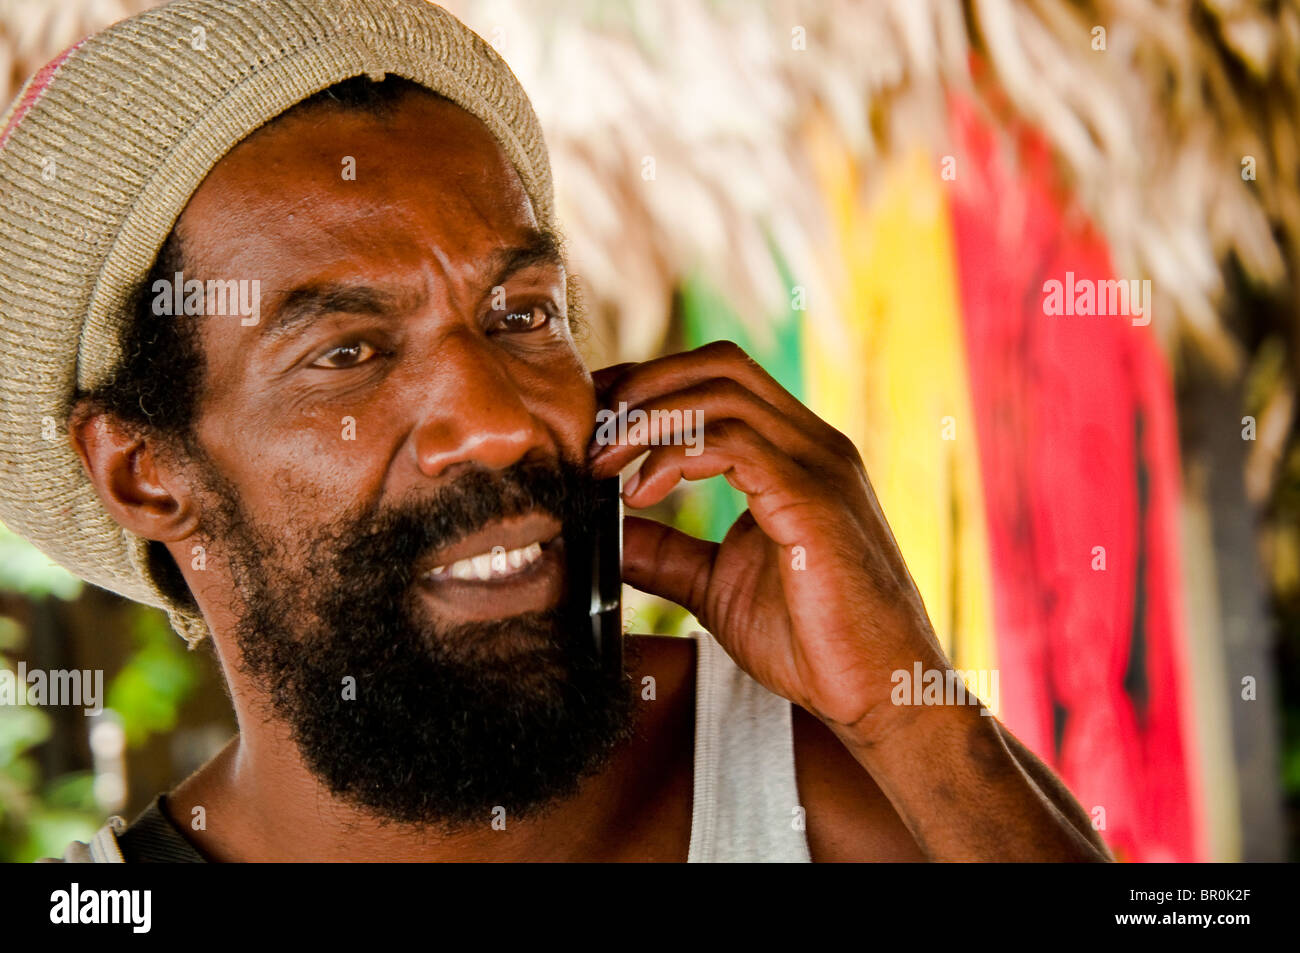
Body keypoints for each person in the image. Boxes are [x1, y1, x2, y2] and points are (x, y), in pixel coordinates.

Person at [0, 0, 1110, 862]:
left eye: (520, 316)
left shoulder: (819, 778)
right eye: (346, 350)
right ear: (145, 474)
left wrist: (905, 711)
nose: (494, 421)